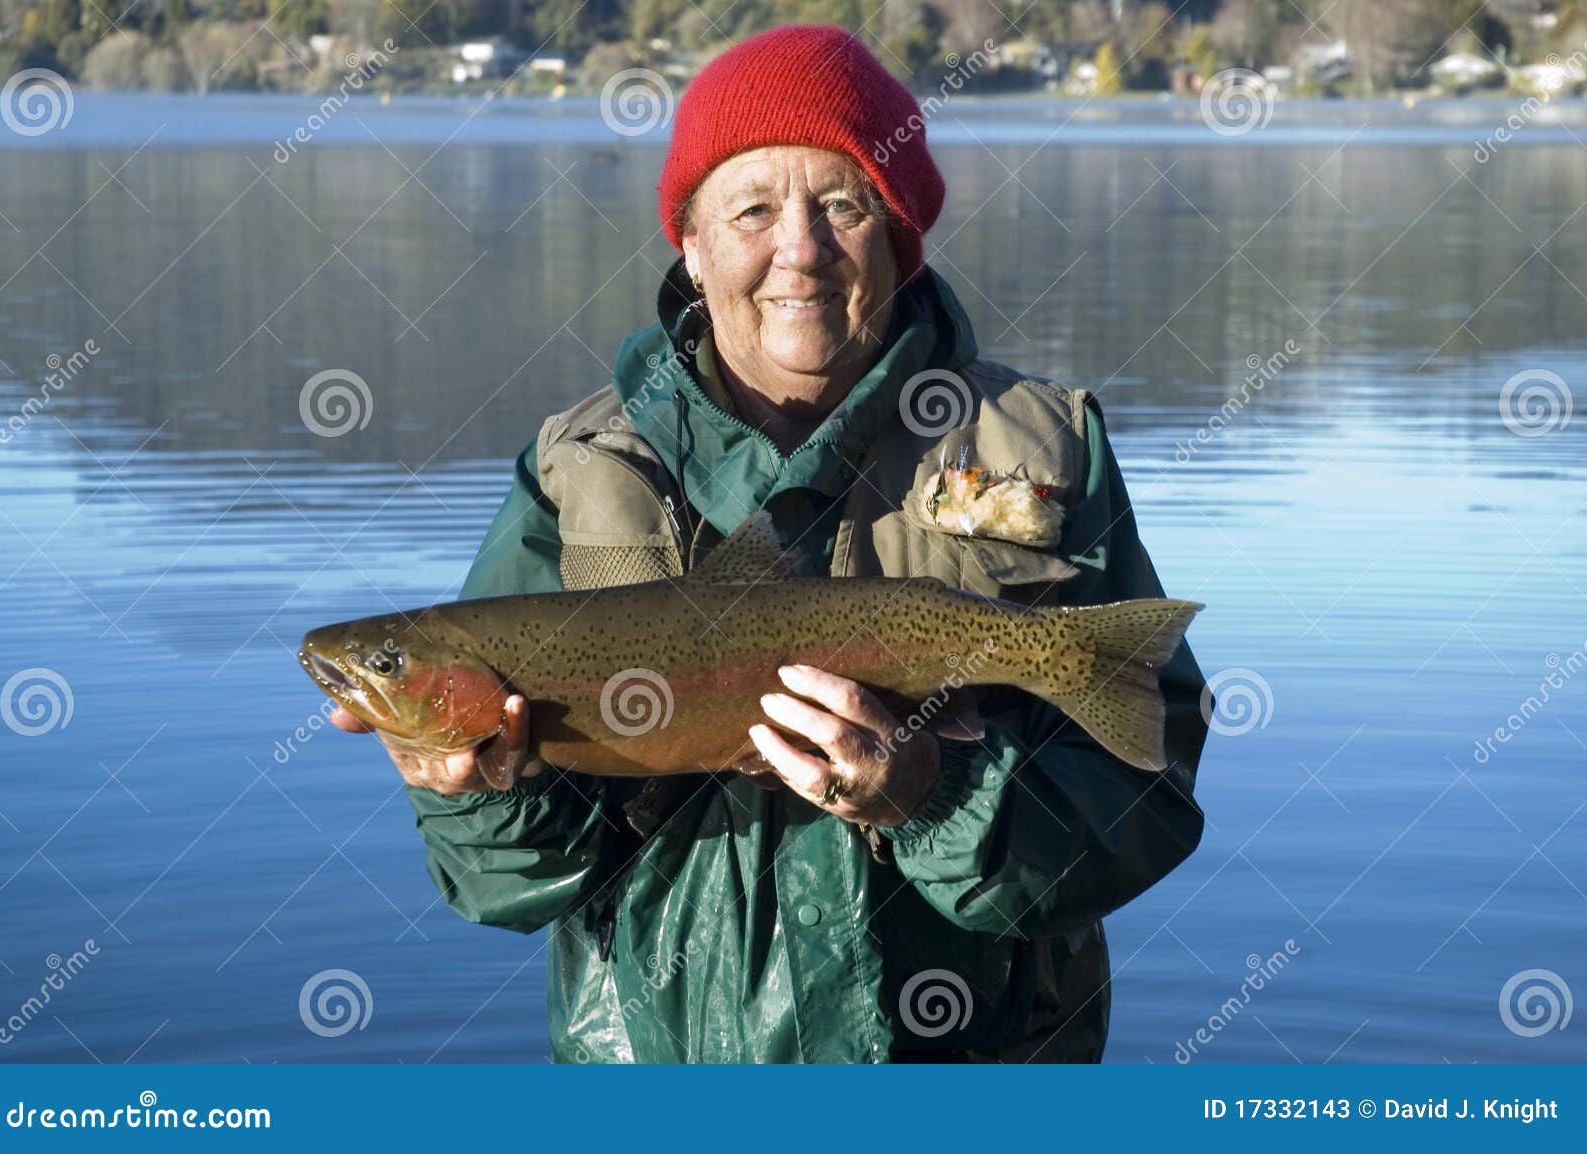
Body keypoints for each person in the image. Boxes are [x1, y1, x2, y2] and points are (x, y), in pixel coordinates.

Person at [330, 23, 1210, 1063]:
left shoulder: (1043, 447)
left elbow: (1140, 812)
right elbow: (495, 889)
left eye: (839, 204)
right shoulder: (574, 471)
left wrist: (934, 794)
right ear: (693, 249)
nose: (798, 246)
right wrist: (486, 794)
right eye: (752, 208)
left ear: (896, 235)